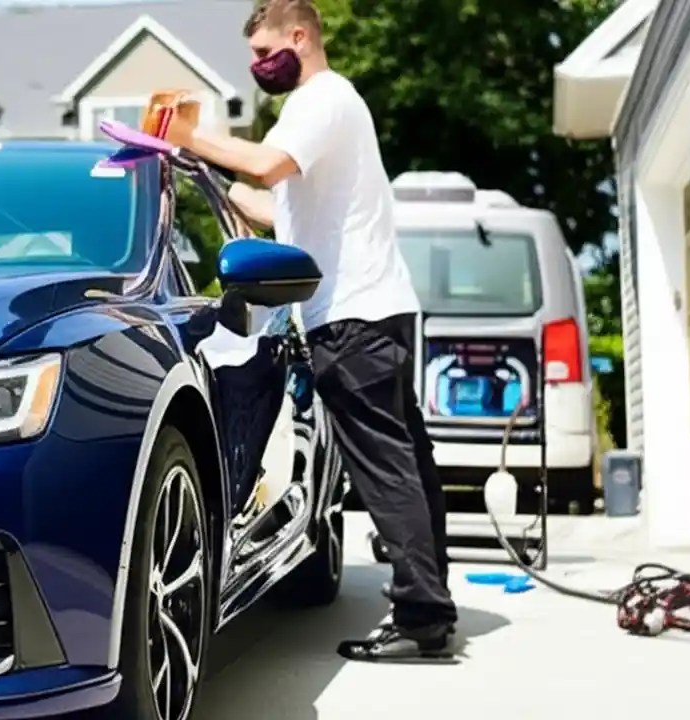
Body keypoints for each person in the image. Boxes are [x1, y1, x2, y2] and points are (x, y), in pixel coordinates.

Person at [157, 0, 458, 661]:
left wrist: (188, 136)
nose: (260, 66)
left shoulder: (321, 98)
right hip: (377, 309)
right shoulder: (330, 112)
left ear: (300, 36)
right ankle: (431, 603)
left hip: (353, 317)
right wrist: (206, 178)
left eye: (266, 52)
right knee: (406, 458)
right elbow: (275, 206)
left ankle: (421, 614)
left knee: (386, 467)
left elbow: (265, 165)